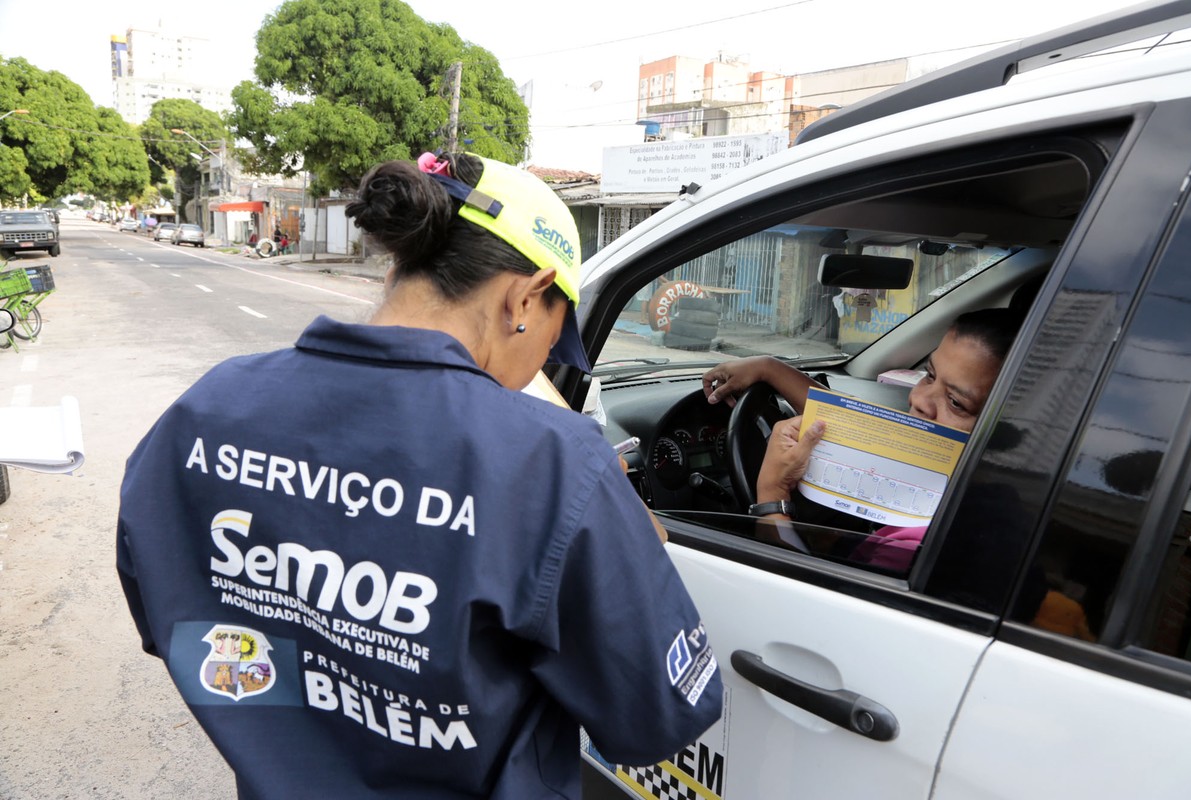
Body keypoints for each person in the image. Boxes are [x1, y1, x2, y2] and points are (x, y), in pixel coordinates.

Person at [117, 152, 722, 800]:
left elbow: (164, 605)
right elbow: (660, 714)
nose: (544, 359)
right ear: (524, 297)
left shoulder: (211, 406)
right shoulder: (550, 463)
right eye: (552, 337)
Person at [705, 308, 1022, 571]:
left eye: (955, 403)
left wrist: (772, 497)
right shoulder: (995, 496)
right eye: (929, 375)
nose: (921, 399)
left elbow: (809, 609)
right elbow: (854, 427)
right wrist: (768, 368)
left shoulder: (917, 547)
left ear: (1002, 429)